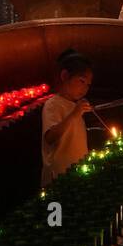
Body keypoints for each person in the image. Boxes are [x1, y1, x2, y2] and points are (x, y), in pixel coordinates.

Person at [41, 49, 94, 187]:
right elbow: (50, 137)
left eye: (88, 84)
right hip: (59, 176)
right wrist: (75, 114)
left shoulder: (75, 106)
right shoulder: (53, 104)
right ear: (65, 76)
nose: (85, 88)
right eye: (82, 81)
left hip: (76, 174)